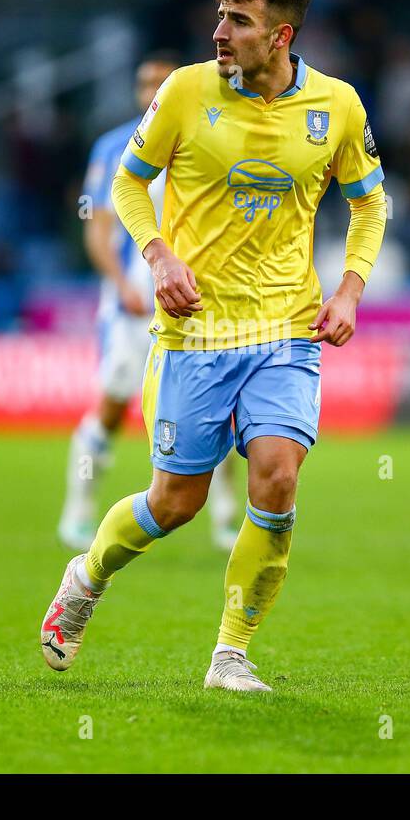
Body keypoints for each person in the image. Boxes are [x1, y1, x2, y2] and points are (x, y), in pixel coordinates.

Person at [40, 0, 387, 692]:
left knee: (277, 478)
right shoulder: (184, 93)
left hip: (287, 331)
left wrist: (351, 288)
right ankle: (88, 574)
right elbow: (130, 185)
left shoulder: (338, 107)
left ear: (281, 36)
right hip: (196, 333)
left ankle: (231, 653)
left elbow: (369, 202)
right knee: (176, 502)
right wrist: (160, 256)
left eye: (239, 20)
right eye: (219, 17)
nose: (221, 33)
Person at [57, 53, 242, 554]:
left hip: (196, 303)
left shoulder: (210, 135)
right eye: (143, 84)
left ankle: (226, 518)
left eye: (160, 83)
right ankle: (78, 509)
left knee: (213, 410)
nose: (150, 92)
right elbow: (97, 231)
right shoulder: (115, 147)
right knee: (112, 406)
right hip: (132, 305)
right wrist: (121, 284)